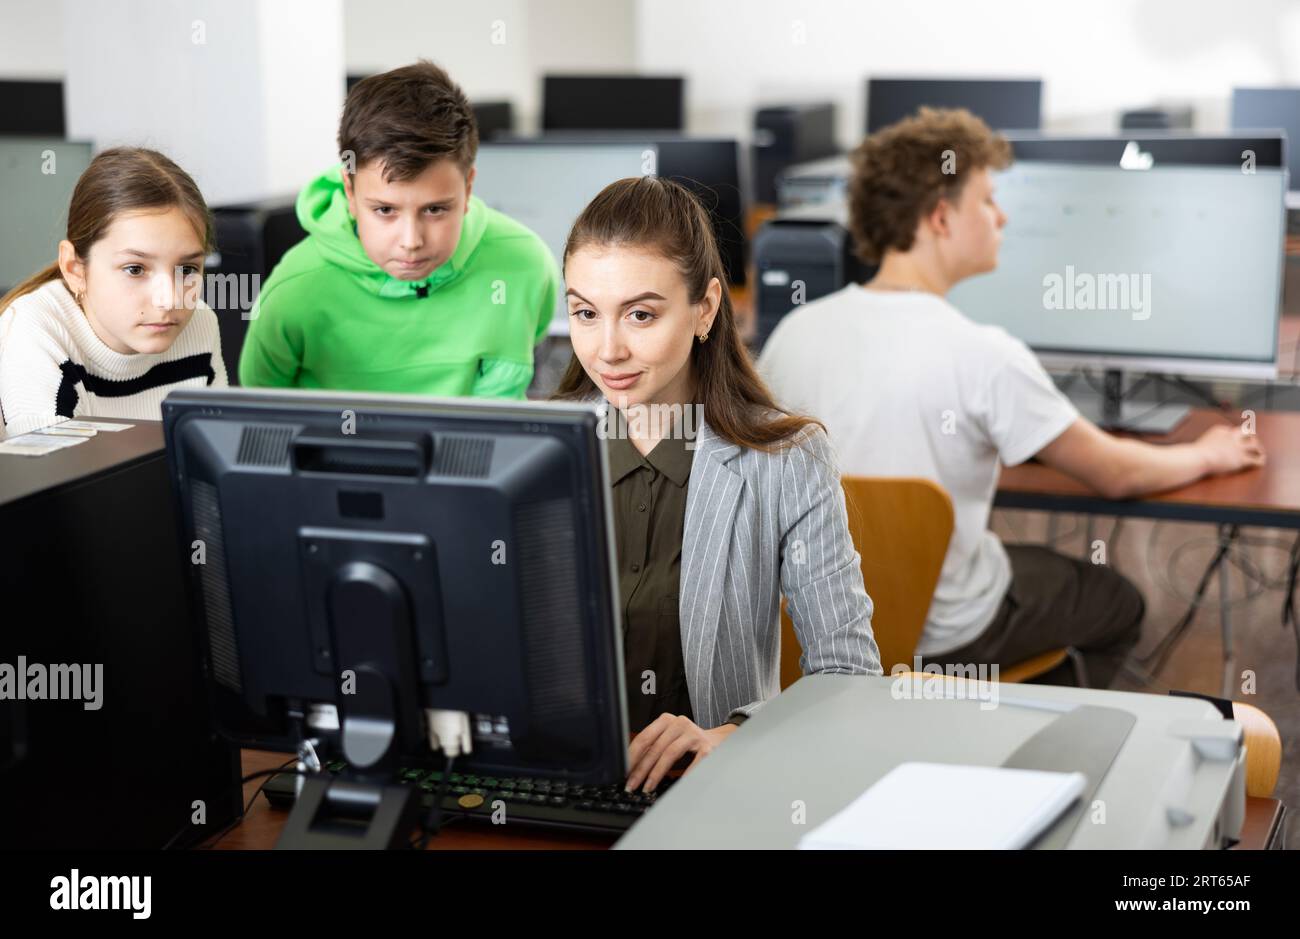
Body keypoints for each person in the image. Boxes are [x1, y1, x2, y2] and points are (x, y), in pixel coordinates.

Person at [759, 107, 1265, 689]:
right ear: (942, 217)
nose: (1001, 217)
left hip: (812, 632)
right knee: (1116, 600)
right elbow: (1116, 473)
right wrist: (1207, 454)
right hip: (944, 636)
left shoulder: (792, 332)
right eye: (988, 201)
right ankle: (1021, 745)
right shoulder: (983, 352)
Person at [554, 175, 881, 793]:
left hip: (711, 788)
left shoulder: (785, 459)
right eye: (585, 313)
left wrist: (729, 735)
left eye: (641, 315)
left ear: (705, 308)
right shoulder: (540, 454)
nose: (608, 350)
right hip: (559, 780)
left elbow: (849, 676)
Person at [239, 60, 558, 398]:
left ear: (468, 187)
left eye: (435, 209)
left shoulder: (524, 265)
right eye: (385, 210)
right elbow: (259, 418)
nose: (411, 242)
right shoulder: (292, 291)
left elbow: (498, 422)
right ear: (349, 191)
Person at [0, 147, 225, 438]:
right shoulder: (36, 331)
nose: (169, 299)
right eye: (135, 269)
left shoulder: (199, 325)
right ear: (74, 268)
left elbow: (214, 461)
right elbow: (55, 479)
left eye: (187, 269)